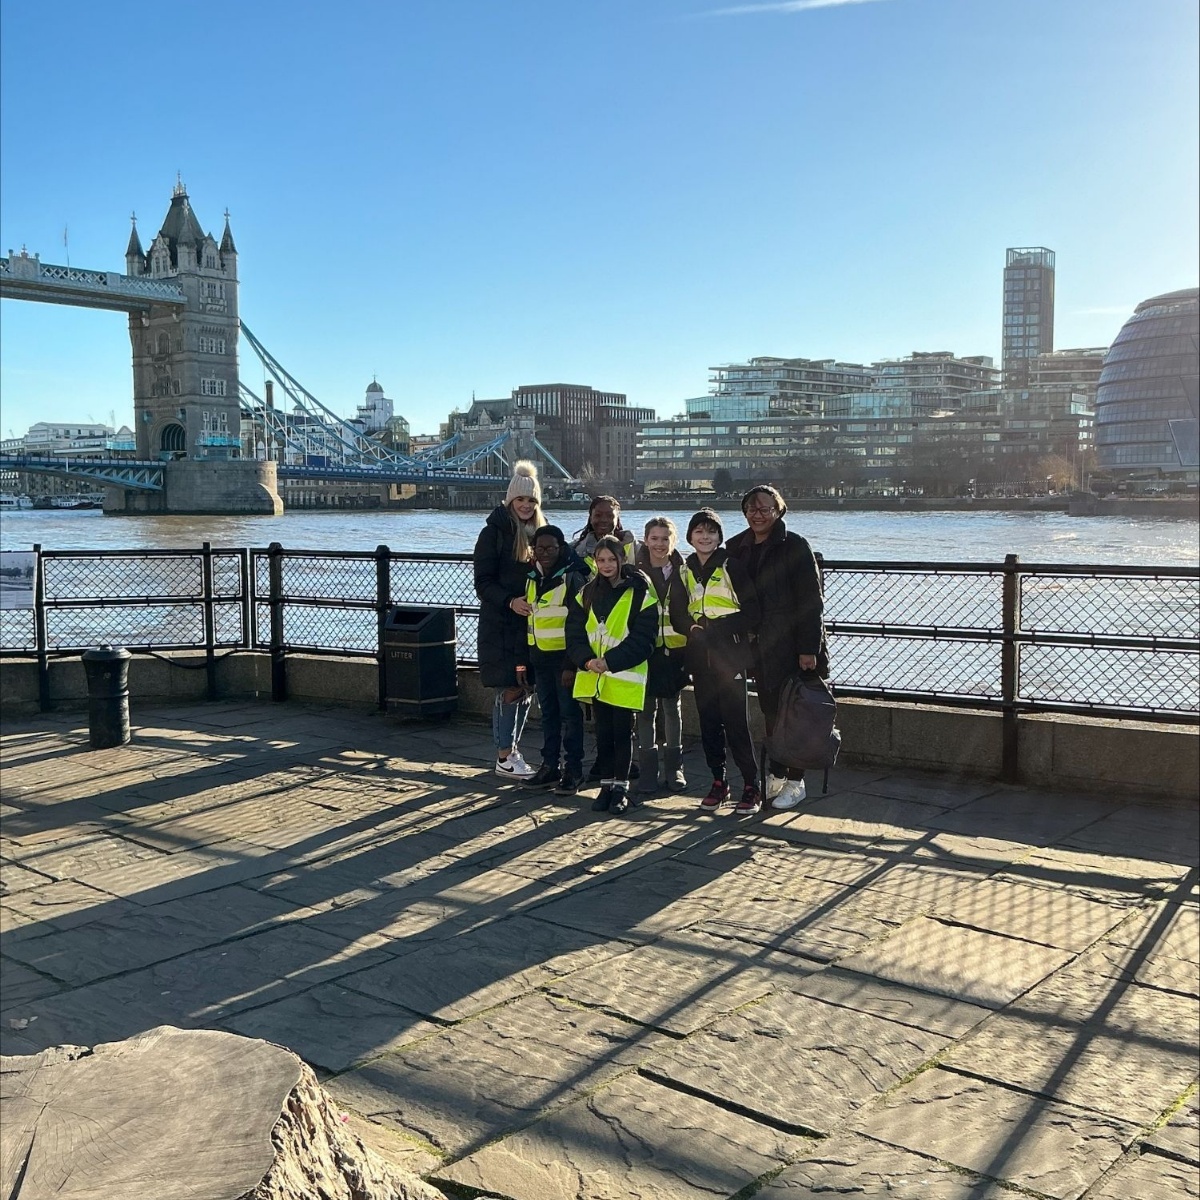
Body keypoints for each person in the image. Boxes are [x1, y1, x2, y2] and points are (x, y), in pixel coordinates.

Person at [725, 484, 827, 811]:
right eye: (752, 509)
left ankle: (797, 781)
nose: (758, 515)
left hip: (791, 644)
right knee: (771, 712)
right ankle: (778, 772)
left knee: (795, 714)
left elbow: (811, 601)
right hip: (757, 646)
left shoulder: (795, 545)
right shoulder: (736, 547)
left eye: (765, 509)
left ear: (778, 511)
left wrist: (809, 648)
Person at [566, 536, 658, 816]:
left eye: (611, 559)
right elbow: (574, 633)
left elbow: (644, 640)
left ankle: (620, 788)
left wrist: (610, 662)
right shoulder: (585, 594)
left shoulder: (640, 594)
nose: (606, 565)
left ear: (621, 559)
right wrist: (586, 660)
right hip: (595, 676)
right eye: (601, 560)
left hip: (623, 676)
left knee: (622, 734)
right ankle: (606, 786)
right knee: (603, 734)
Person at [682, 508, 762, 816]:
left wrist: (718, 628)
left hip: (730, 655)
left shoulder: (732, 566)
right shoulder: (686, 570)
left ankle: (751, 785)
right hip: (700, 658)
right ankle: (719, 781)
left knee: (736, 722)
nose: (705, 537)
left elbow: (752, 611)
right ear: (690, 537)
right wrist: (691, 629)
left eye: (711, 531)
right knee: (709, 722)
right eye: (699, 531)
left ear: (719, 537)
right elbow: (677, 610)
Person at [472, 460, 544, 780]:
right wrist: (510, 601)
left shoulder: (540, 534)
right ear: (510, 500)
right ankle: (504, 755)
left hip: (529, 625)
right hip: (500, 624)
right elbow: (482, 583)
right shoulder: (493, 533)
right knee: (509, 689)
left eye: (532, 500)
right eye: (520, 499)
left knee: (526, 688)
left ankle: (512, 751)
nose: (526, 505)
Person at [519, 525, 587, 795]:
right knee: (548, 715)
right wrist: (524, 661)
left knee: (570, 715)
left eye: (551, 548)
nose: (545, 553)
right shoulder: (532, 577)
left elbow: (580, 623)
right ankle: (549, 766)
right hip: (540, 658)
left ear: (561, 548)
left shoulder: (572, 577)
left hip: (564, 661)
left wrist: (571, 664)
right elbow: (530, 622)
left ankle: (573, 770)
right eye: (540, 548)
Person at [633, 517, 691, 795]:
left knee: (672, 708)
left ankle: (674, 768)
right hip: (645, 650)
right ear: (645, 540)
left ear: (673, 541)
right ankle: (647, 770)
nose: (659, 544)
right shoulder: (635, 573)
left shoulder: (684, 571)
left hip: (675, 650)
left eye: (665, 539)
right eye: (654, 538)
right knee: (645, 711)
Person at [572, 496, 638, 573]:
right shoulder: (575, 551)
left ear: (617, 519)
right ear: (591, 518)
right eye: (598, 515)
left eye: (610, 516)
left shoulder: (634, 547)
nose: (604, 520)